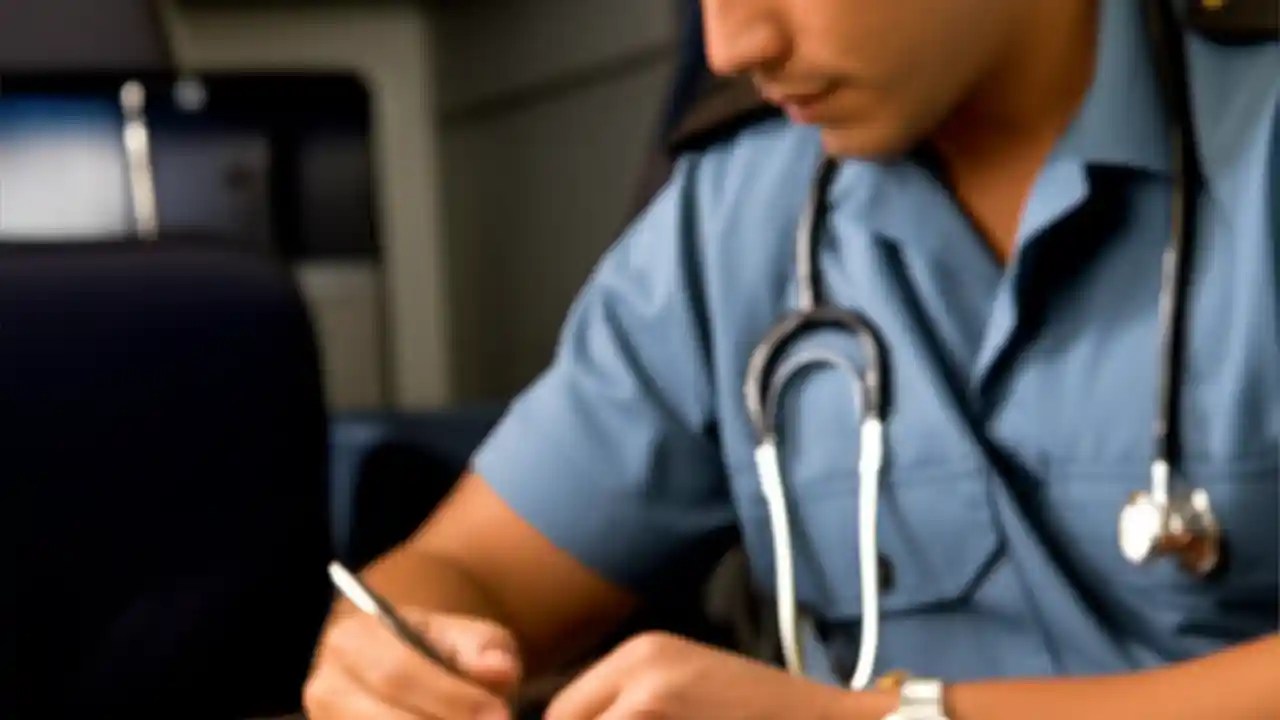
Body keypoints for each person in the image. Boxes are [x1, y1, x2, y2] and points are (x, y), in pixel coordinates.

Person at [304, 1, 1279, 718]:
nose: (732, 45)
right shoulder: (732, 216)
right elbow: (463, 567)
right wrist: (391, 651)